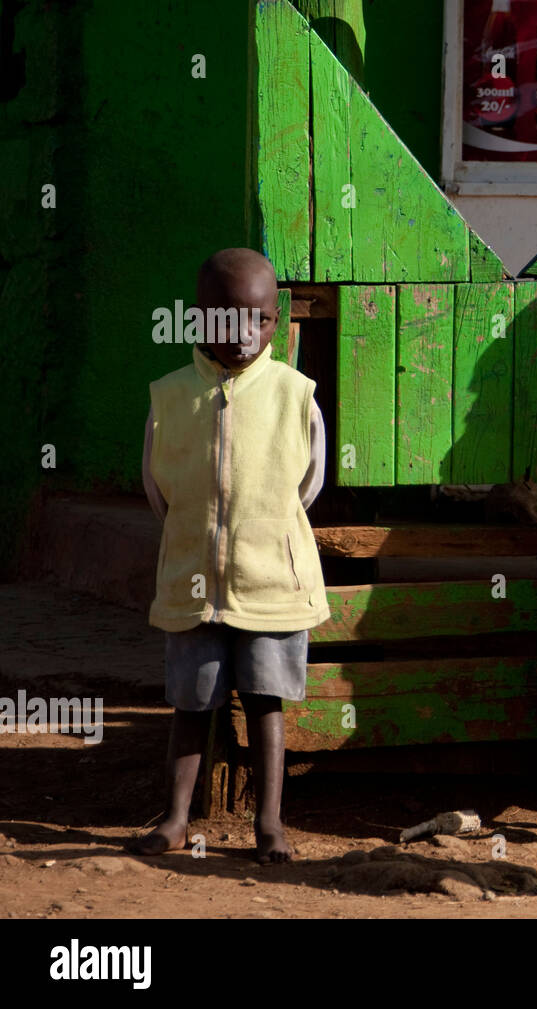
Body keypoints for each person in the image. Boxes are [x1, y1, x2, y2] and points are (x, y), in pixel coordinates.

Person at [129, 248, 328, 864]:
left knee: (266, 702)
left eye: (261, 320)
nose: (245, 334)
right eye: (228, 318)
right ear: (199, 319)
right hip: (193, 581)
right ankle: (176, 818)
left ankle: (269, 824)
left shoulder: (296, 396)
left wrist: (261, 536)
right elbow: (158, 488)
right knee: (192, 702)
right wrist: (200, 536)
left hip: (271, 582)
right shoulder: (169, 397)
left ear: (277, 319)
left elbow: (308, 487)